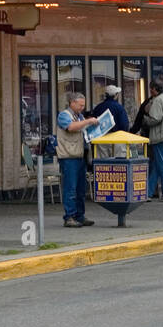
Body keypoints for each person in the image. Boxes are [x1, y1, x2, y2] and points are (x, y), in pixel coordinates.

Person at [56, 92, 98, 227]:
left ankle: (80, 215)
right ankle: (69, 217)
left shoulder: (79, 116)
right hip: (68, 157)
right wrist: (88, 121)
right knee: (70, 188)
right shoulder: (64, 115)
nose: (82, 108)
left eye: (83, 105)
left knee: (81, 189)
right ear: (72, 103)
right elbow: (71, 127)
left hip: (80, 156)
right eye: (80, 105)